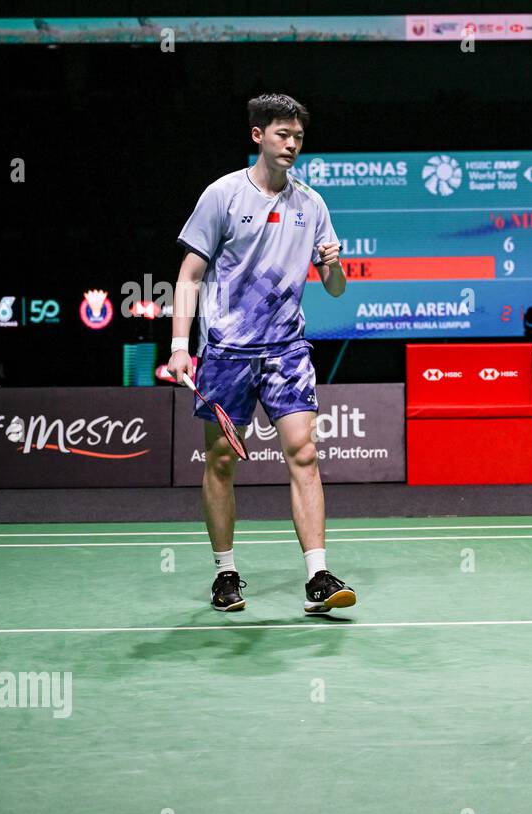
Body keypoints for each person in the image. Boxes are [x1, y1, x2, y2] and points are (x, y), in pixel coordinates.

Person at [168, 93, 357, 616]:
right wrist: (181, 346)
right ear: (258, 135)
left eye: (298, 136)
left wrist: (334, 264)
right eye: (282, 134)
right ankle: (225, 573)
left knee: (305, 453)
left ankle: (318, 577)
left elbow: (336, 289)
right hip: (228, 352)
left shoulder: (312, 205)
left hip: (287, 350)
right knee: (222, 460)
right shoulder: (223, 195)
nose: (292, 144)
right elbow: (189, 274)